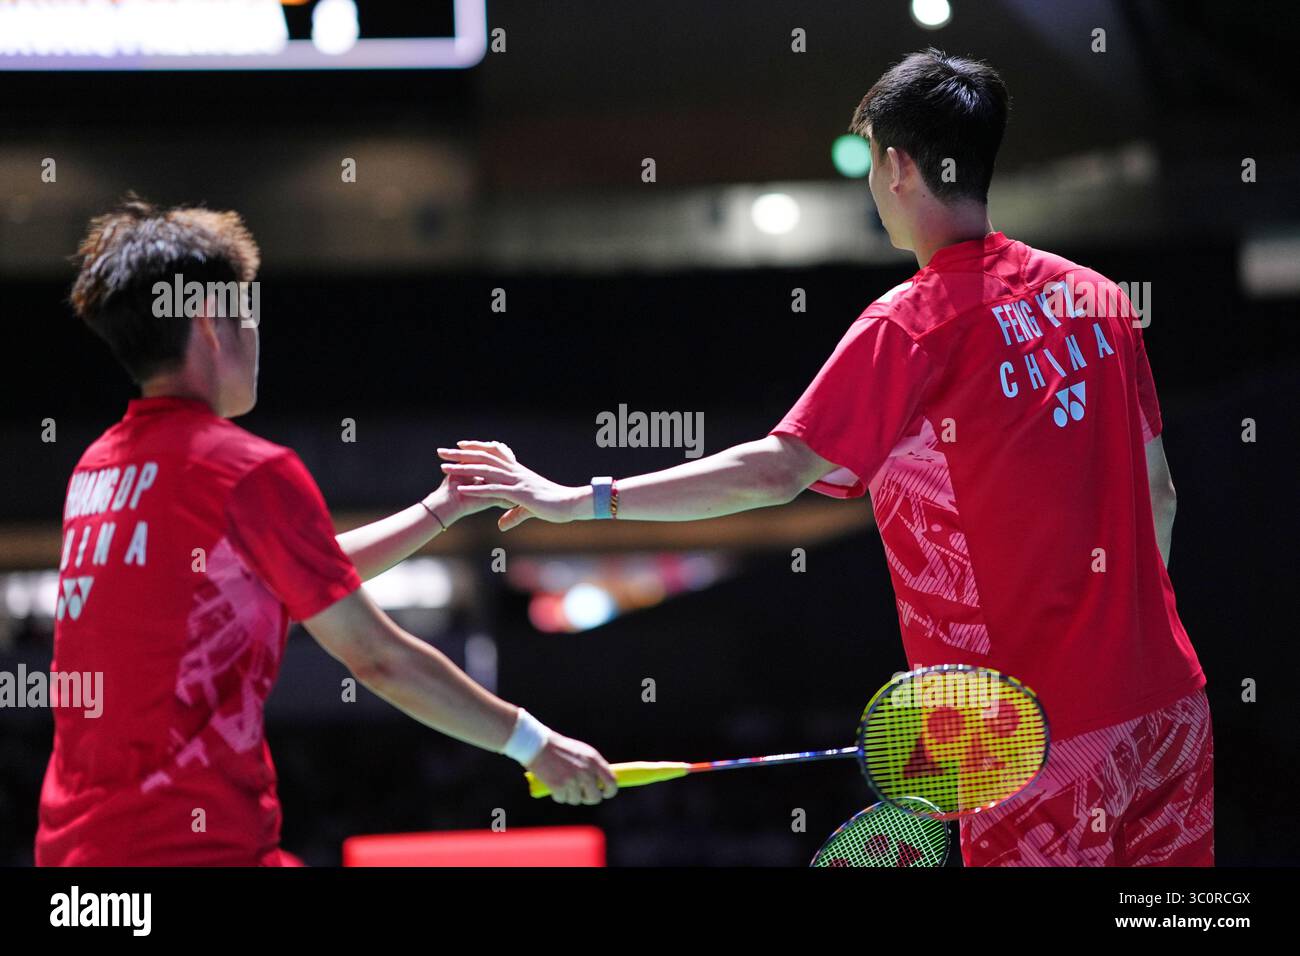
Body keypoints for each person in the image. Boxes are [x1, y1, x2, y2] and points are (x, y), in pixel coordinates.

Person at [440, 50, 1212, 867]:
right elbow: (1159, 493)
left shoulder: (909, 327)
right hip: (1170, 704)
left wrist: (579, 500)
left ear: (897, 165)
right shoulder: (1100, 300)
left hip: (1028, 737)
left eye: (873, 167)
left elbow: (776, 470)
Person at [38, 197, 616, 867]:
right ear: (209, 324)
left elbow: (275, 580)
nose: (257, 336)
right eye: (248, 313)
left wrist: (440, 509)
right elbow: (378, 658)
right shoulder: (242, 470)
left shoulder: (99, 470)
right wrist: (535, 745)